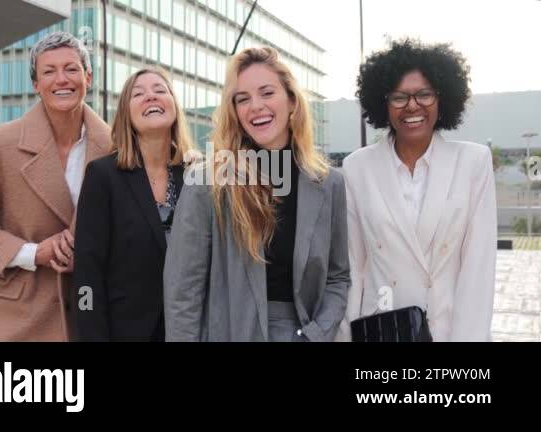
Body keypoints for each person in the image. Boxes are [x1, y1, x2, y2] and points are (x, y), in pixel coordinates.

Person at [164, 47, 350, 342]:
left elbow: (338, 278)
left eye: (267, 93)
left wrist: (314, 336)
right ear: (234, 112)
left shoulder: (329, 184)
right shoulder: (207, 182)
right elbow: (182, 289)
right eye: (243, 99)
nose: (256, 106)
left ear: (291, 101)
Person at [0, 31, 111, 341]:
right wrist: (32, 253)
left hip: (89, 313)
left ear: (88, 77)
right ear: (36, 85)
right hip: (11, 316)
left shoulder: (116, 147)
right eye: (49, 71)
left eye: (71, 69)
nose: (62, 79)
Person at [339, 39, 497, 342]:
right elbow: (352, 269)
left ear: (442, 99)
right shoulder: (357, 168)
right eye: (399, 97)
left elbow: (478, 270)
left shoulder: (473, 163)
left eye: (424, 94)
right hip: (383, 330)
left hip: (449, 330)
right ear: (383, 104)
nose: (412, 105)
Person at [73, 67, 194, 341]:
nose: (151, 97)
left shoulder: (196, 176)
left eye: (160, 91)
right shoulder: (102, 176)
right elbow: (87, 275)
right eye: (138, 94)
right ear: (126, 114)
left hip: (190, 331)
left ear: (174, 105)